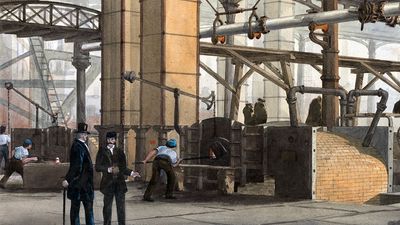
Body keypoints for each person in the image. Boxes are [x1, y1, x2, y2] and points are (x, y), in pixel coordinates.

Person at [95, 131, 140, 225]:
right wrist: (108, 169)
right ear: (106, 140)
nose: (110, 141)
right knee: (107, 207)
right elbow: (97, 167)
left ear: (115, 140)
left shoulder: (120, 151)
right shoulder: (102, 151)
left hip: (119, 183)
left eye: (112, 139)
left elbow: (123, 168)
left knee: (121, 208)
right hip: (107, 183)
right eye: (108, 139)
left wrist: (132, 173)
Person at [62, 122, 94, 225]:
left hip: (84, 184)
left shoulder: (82, 145)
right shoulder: (77, 146)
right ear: (80, 135)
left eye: (86, 134)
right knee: (80, 210)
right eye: (84, 134)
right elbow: (76, 166)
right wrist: (68, 179)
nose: (86, 136)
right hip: (79, 184)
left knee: (85, 210)